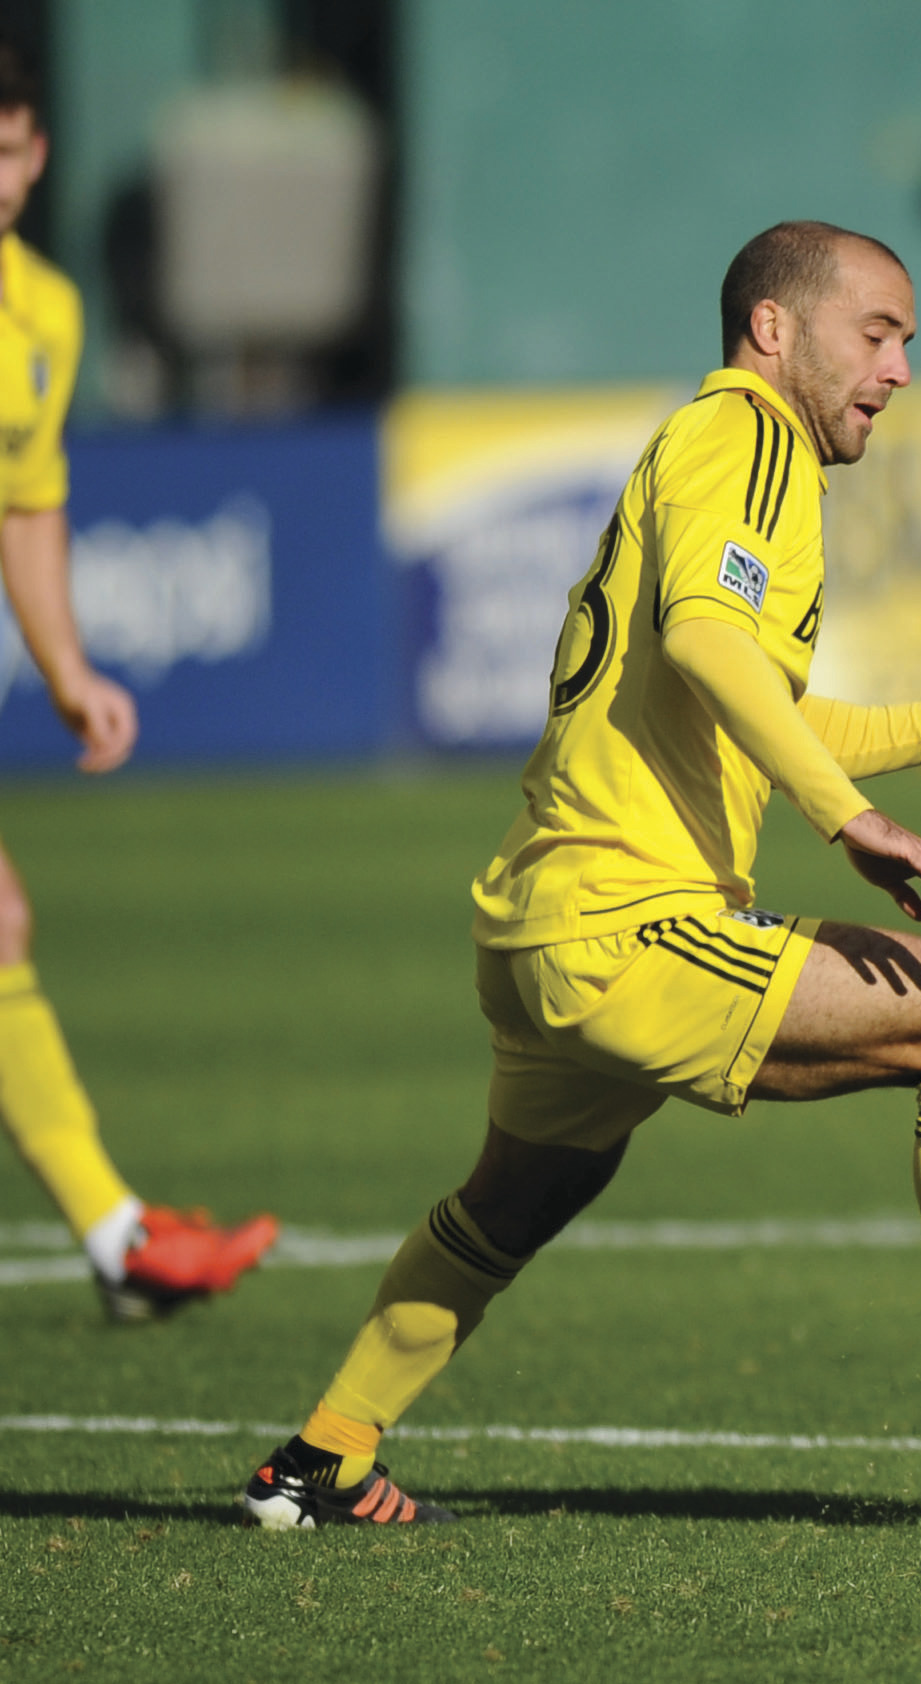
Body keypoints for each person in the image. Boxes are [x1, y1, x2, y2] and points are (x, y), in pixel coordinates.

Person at [240, 220, 921, 1528]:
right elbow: (703, 639)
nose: (901, 369)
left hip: (544, 922)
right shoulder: (748, 434)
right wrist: (851, 820)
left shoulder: (714, 452)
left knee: (525, 1194)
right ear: (773, 329)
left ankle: (324, 1458)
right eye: (878, 333)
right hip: (626, 924)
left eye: (909, 341)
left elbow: (755, 704)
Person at [0, 40, 278, 1323]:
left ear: (38, 153)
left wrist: (66, 667)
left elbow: (27, 503)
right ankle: (117, 1239)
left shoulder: (46, 314)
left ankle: (117, 1238)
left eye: (8, 152)